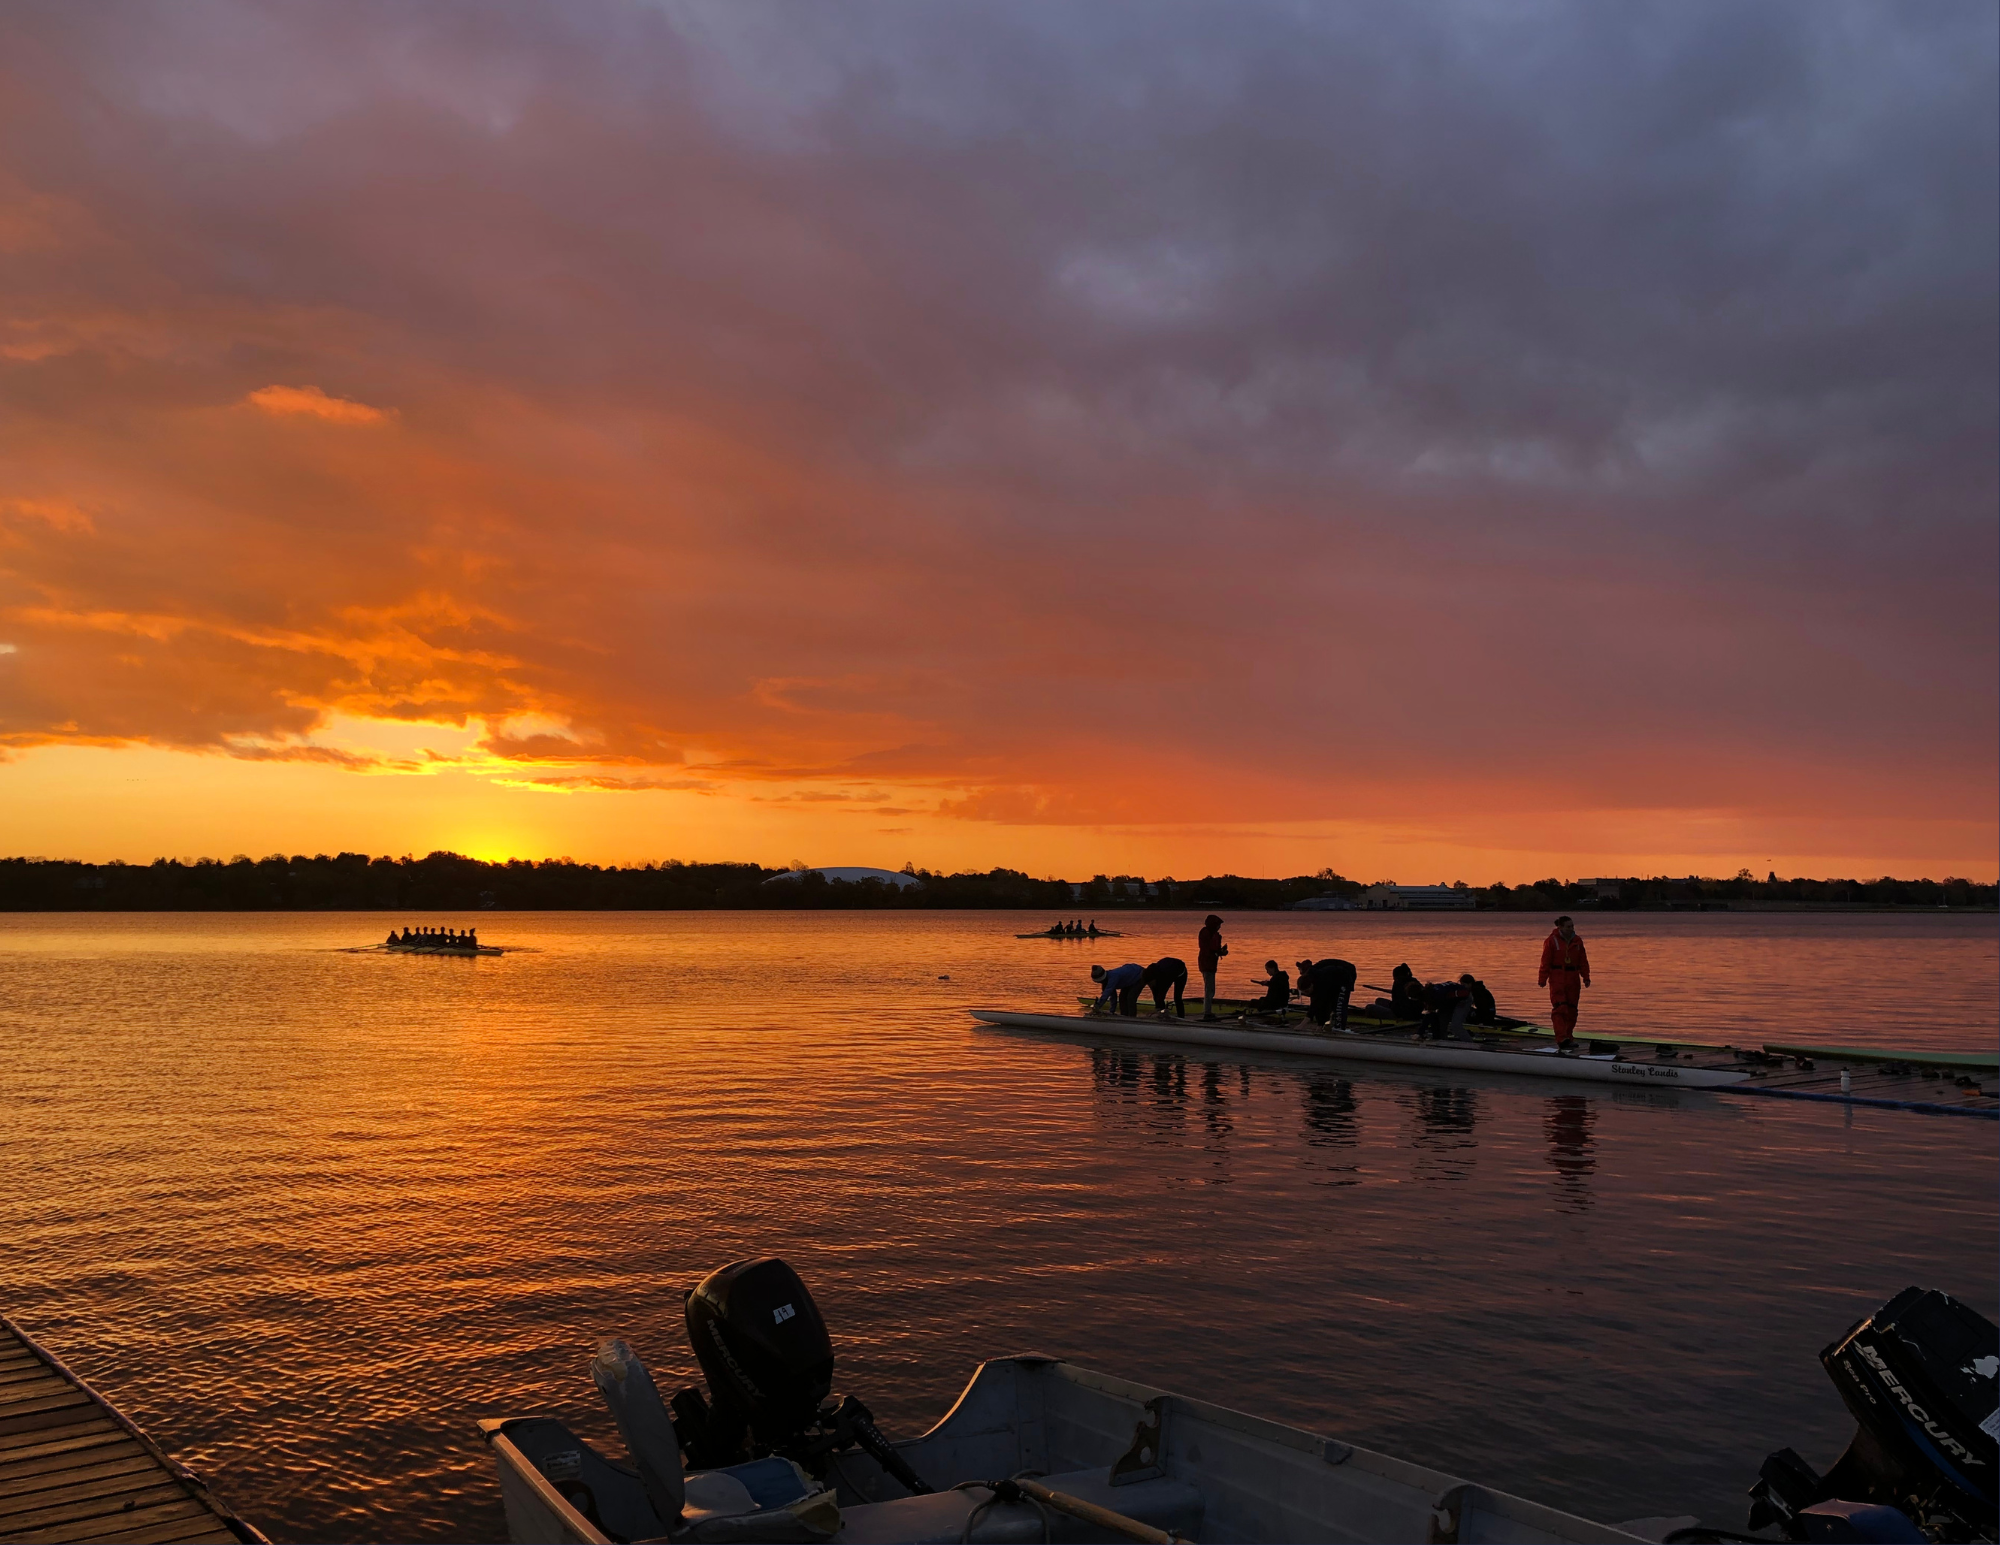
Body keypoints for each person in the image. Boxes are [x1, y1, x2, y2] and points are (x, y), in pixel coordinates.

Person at [1538, 915, 1591, 1051]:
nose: (1571, 929)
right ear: (1560, 927)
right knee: (1560, 1008)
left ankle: (1569, 1036)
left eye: (1572, 926)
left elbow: (1583, 960)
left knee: (1572, 1010)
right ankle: (1561, 1038)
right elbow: (1545, 961)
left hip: (1573, 977)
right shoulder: (1552, 941)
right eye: (1568, 926)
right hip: (1558, 976)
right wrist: (1542, 978)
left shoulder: (1577, 941)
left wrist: (1586, 977)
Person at [1298, 956, 1357, 1032]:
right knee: (1327, 1001)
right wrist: (1320, 1025)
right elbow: (1317, 1004)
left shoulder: (1321, 980)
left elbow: (1314, 1005)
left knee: (1339, 1004)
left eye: (1307, 991)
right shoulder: (1311, 979)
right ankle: (1325, 1024)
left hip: (1346, 976)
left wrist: (1302, 1025)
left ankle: (1340, 1027)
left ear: (1311, 985)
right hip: (1333, 979)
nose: (1307, 994)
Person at [1196, 915, 1228, 1021]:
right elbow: (1208, 950)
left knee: (1210, 989)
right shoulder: (1206, 933)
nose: (1219, 927)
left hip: (1209, 965)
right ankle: (1207, 1013)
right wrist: (1218, 952)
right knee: (1209, 989)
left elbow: (1213, 950)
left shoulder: (1210, 933)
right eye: (1218, 925)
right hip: (1207, 965)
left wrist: (1220, 952)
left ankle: (1208, 1011)